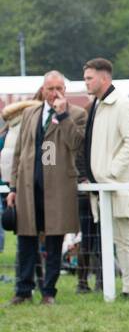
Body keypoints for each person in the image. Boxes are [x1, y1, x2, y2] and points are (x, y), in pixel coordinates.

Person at [7, 72, 86, 305]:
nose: (55, 93)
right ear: (43, 90)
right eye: (50, 88)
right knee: (26, 241)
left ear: (66, 90)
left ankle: (49, 291)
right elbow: (19, 153)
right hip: (28, 186)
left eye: (59, 88)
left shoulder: (76, 114)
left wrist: (62, 115)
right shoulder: (30, 113)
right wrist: (13, 187)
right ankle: (23, 290)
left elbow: (76, 144)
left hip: (58, 188)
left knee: (54, 241)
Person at [82, 58, 129, 299]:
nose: (86, 82)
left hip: (118, 184)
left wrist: (111, 171)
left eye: (89, 77)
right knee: (120, 239)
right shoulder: (98, 104)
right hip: (105, 185)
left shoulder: (122, 104)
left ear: (104, 78)